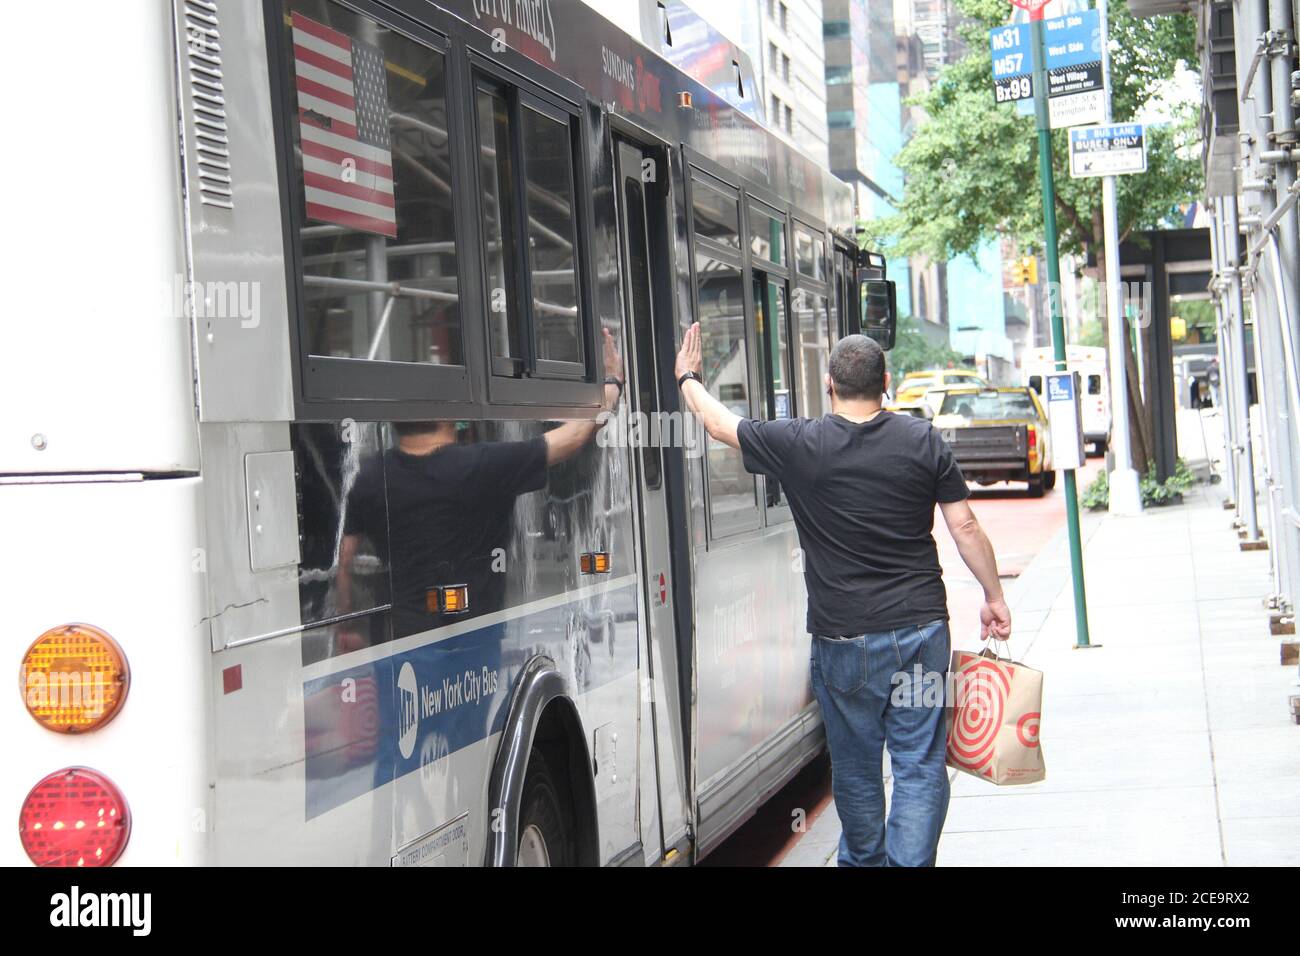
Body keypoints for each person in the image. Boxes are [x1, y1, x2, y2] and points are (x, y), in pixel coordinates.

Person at [673, 325, 1011, 867]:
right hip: (922, 633)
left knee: (855, 769)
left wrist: (688, 377)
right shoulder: (922, 440)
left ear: (829, 384)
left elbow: (717, 424)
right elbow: (964, 526)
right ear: (887, 382)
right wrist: (993, 595)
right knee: (919, 763)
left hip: (843, 640)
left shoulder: (801, 443)